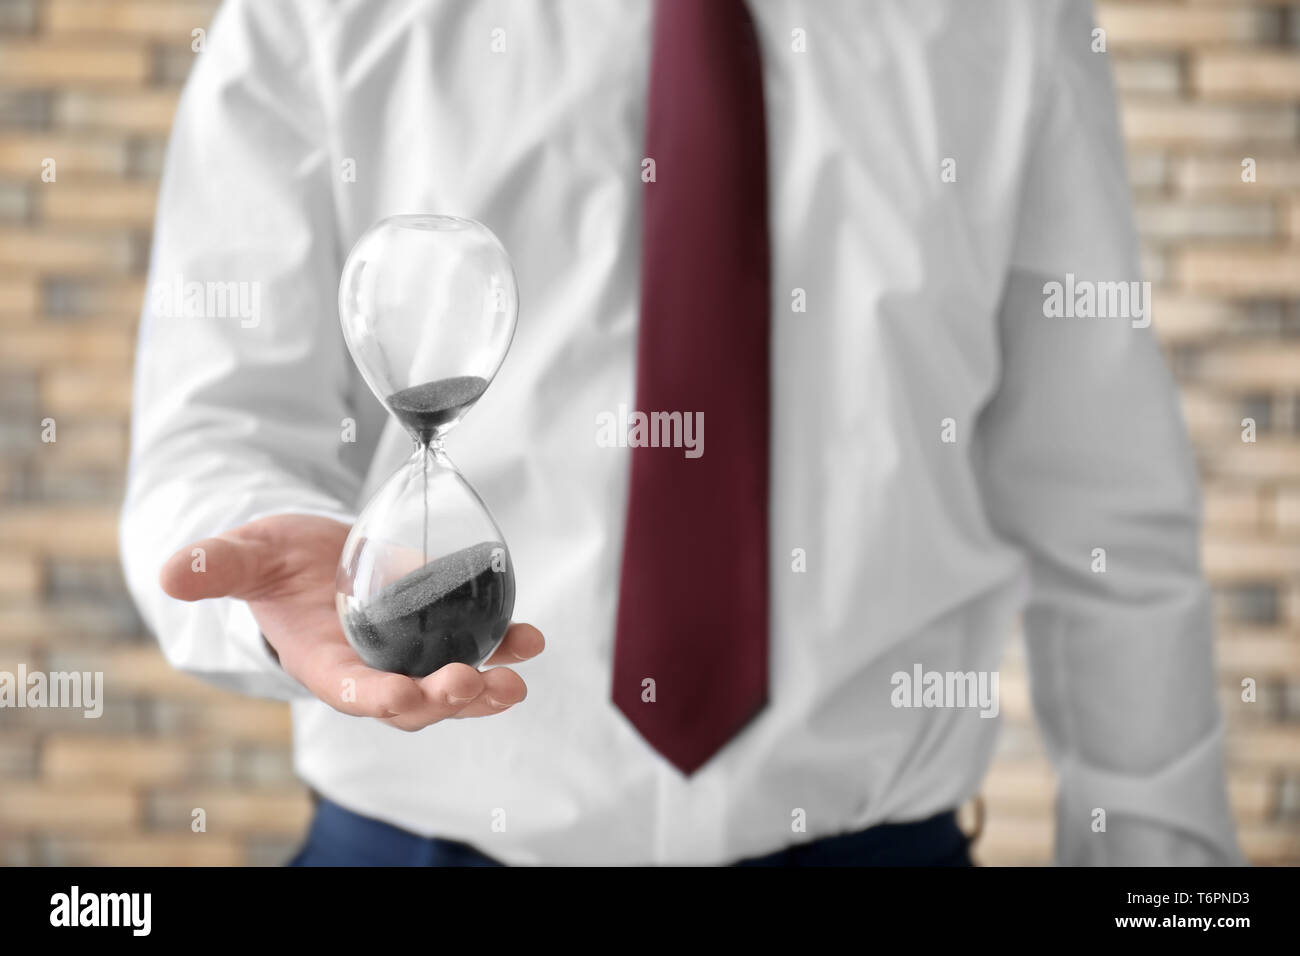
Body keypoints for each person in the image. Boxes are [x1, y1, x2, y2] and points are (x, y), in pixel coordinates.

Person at [121, 0, 1243, 866]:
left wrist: (1166, 887)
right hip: (413, 843)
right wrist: (289, 586)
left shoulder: (1001, 20)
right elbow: (214, 428)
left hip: (875, 846)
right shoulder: (317, 16)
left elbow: (1107, 517)